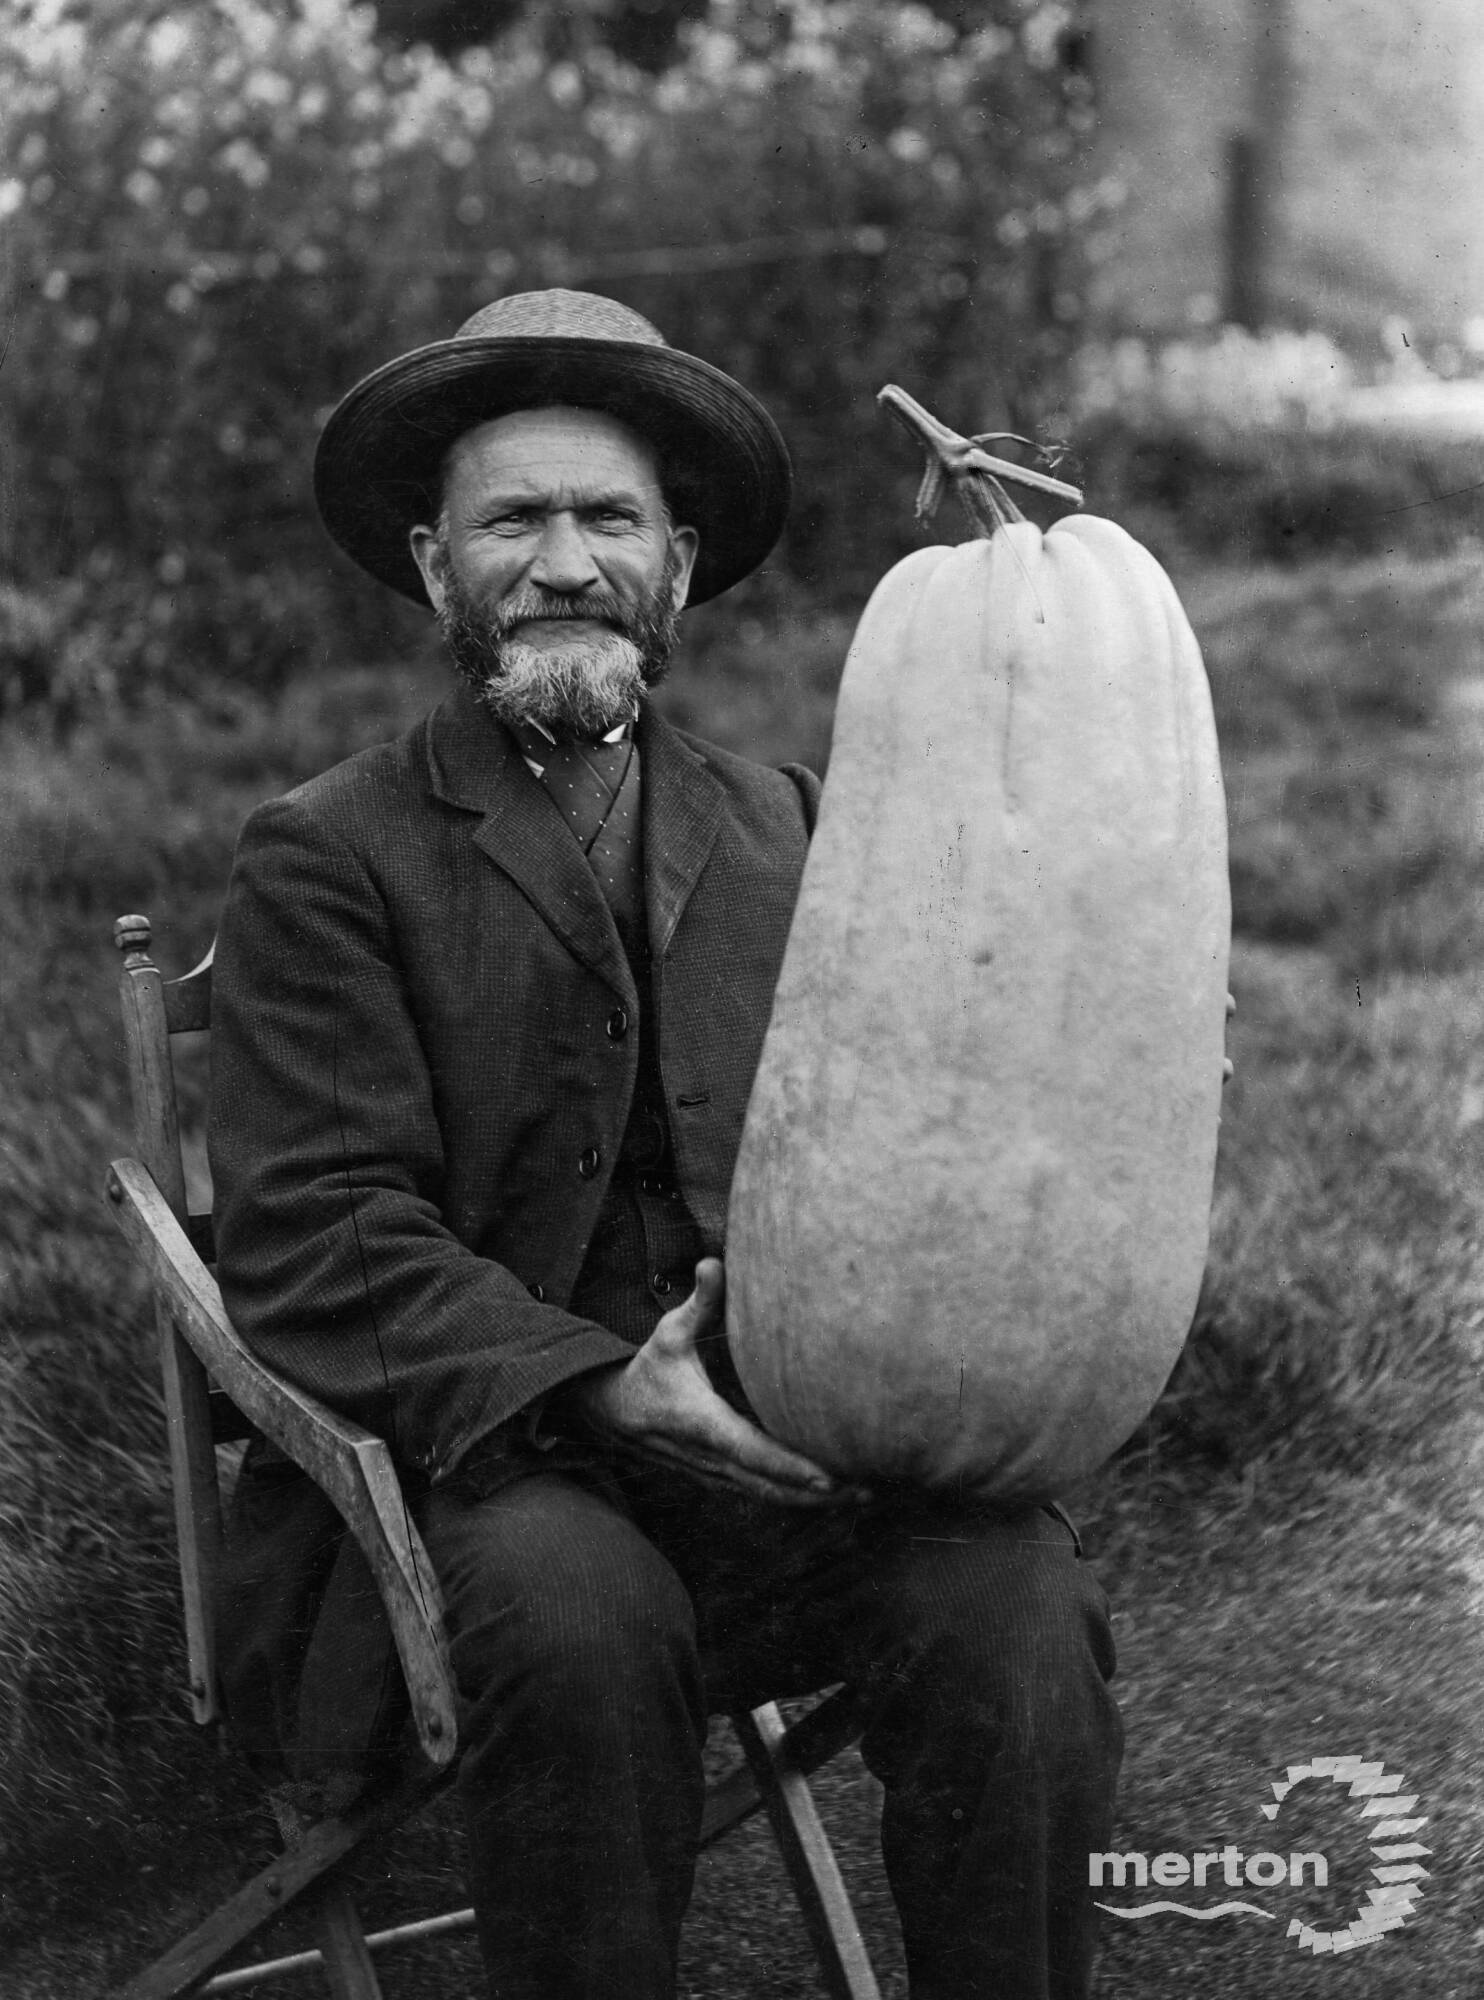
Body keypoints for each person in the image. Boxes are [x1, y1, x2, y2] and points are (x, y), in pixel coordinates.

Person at [208, 288, 1122, 2000]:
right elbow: (319, 1229)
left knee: (1011, 1601)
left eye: (609, 518)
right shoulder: (327, 853)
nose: (564, 562)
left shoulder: (786, 820)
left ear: (679, 565)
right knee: (578, 1622)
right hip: (479, 1468)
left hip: (784, 1456)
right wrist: (598, 1385)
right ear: (432, 565)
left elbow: (933, 1095)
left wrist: (1098, 1049)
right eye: (512, 521)